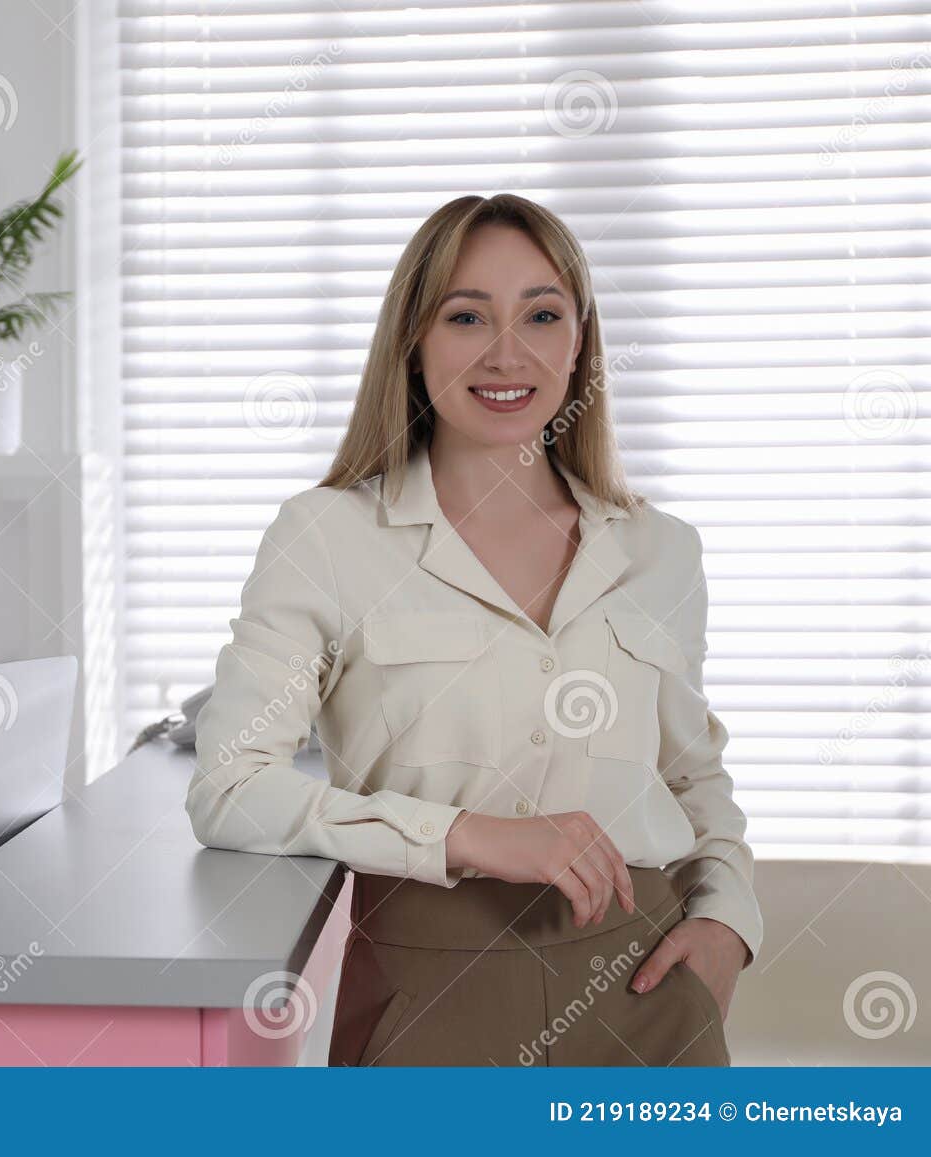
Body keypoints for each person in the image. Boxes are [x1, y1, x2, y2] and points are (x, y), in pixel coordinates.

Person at [186, 193, 761, 1067]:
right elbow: (230, 787)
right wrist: (463, 833)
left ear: (580, 343)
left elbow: (693, 774)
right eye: (466, 316)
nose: (508, 353)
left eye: (542, 314)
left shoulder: (661, 550)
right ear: (413, 344)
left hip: (649, 993)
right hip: (427, 996)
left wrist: (726, 919)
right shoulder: (328, 536)